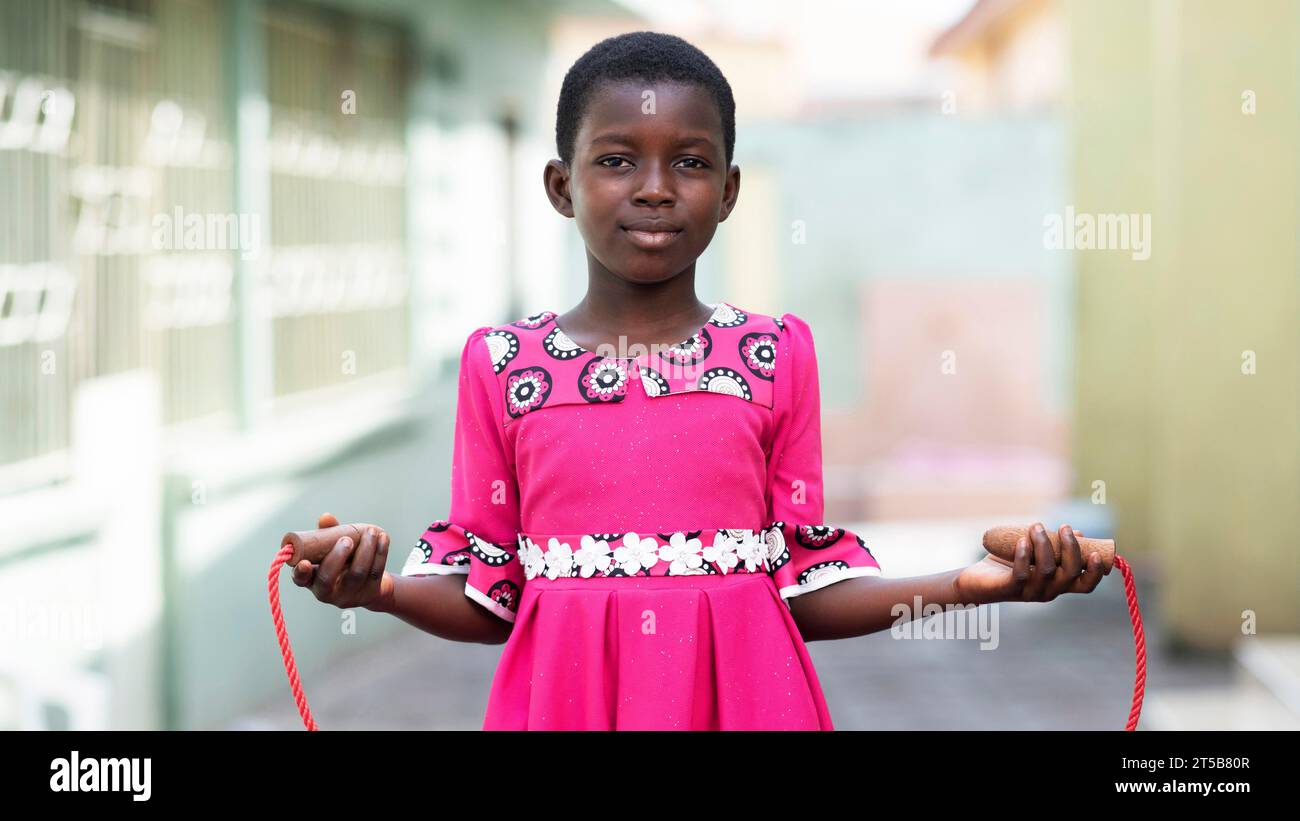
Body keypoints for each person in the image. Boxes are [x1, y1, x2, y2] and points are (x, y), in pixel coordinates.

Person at [290, 31, 1104, 730]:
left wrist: (967, 588)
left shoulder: (775, 355)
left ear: (729, 191)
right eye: (616, 159)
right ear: (561, 186)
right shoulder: (502, 365)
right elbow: (488, 594)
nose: (653, 187)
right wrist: (380, 588)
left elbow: (804, 583)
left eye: (690, 161)